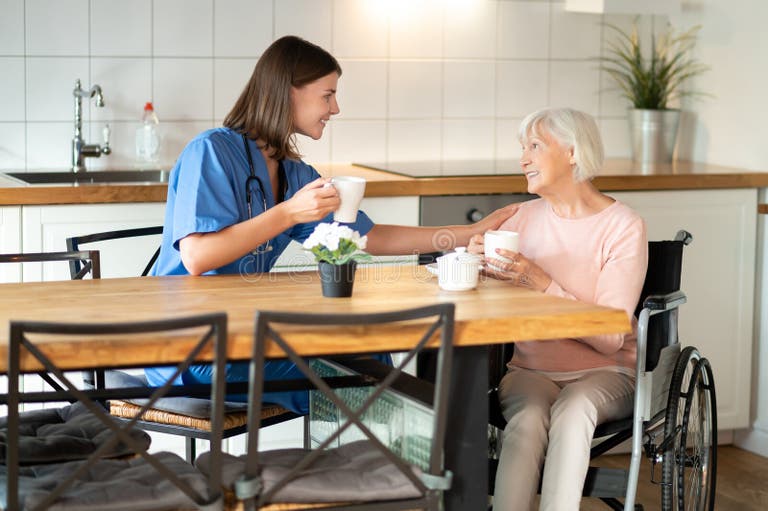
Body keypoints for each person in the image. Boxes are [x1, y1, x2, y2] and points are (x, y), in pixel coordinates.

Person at [145, 35, 517, 415]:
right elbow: (197, 256)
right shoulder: (211, 151)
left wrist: (467, 232)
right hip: (188, 349)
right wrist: (289, 212)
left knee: (369, 352)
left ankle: (383, 459)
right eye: (327, 95)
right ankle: (396, 458)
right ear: (288, 92)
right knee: (356, 376)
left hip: (243, 336)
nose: (335, 108)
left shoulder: (292, 171)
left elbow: (366, 237)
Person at [467, 107, 648, 510]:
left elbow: (607, 338)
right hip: (530, 371)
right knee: (528, 420)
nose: (523, 158)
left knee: (573, 410)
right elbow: (487, 306)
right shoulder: (519, 220)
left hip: (607, 373)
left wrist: (540, 280)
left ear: (571, 152)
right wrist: (473, 264)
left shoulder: (623, 226)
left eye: (535, 146)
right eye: (523, 147)